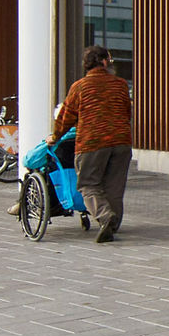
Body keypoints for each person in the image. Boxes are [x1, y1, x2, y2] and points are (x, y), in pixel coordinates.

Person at [51, 46, 131, 240]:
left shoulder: (80, 87)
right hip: (121, 141)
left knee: (88, 184)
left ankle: (105, 217)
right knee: (114, 186)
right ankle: (113, 224)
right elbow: (127, 112)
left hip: (92, 142)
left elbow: (66, 117)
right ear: (103, 62)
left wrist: (55, 137)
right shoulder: (120, 85)